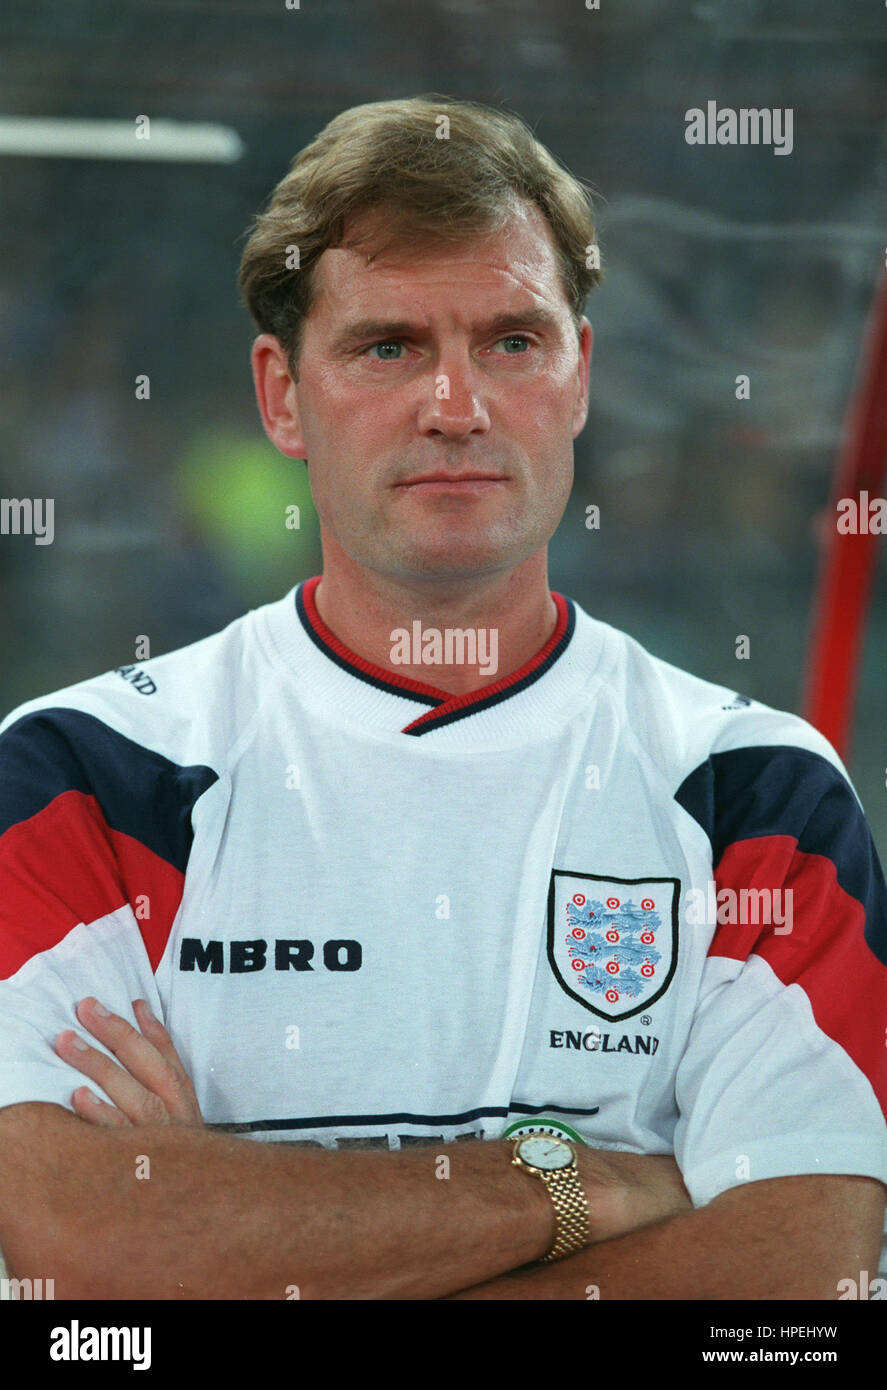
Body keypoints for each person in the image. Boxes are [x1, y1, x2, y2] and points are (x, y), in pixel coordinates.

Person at [0, 96, 884, 1301]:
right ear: (278, 394)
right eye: (388, 346)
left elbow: (795, 1276)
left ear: (579, 379)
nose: (456, 407)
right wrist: (573, 1183)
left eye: (512, 342)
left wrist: (231, 1210)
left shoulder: (754, 792)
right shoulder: (80, 777)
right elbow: (78, 1242)